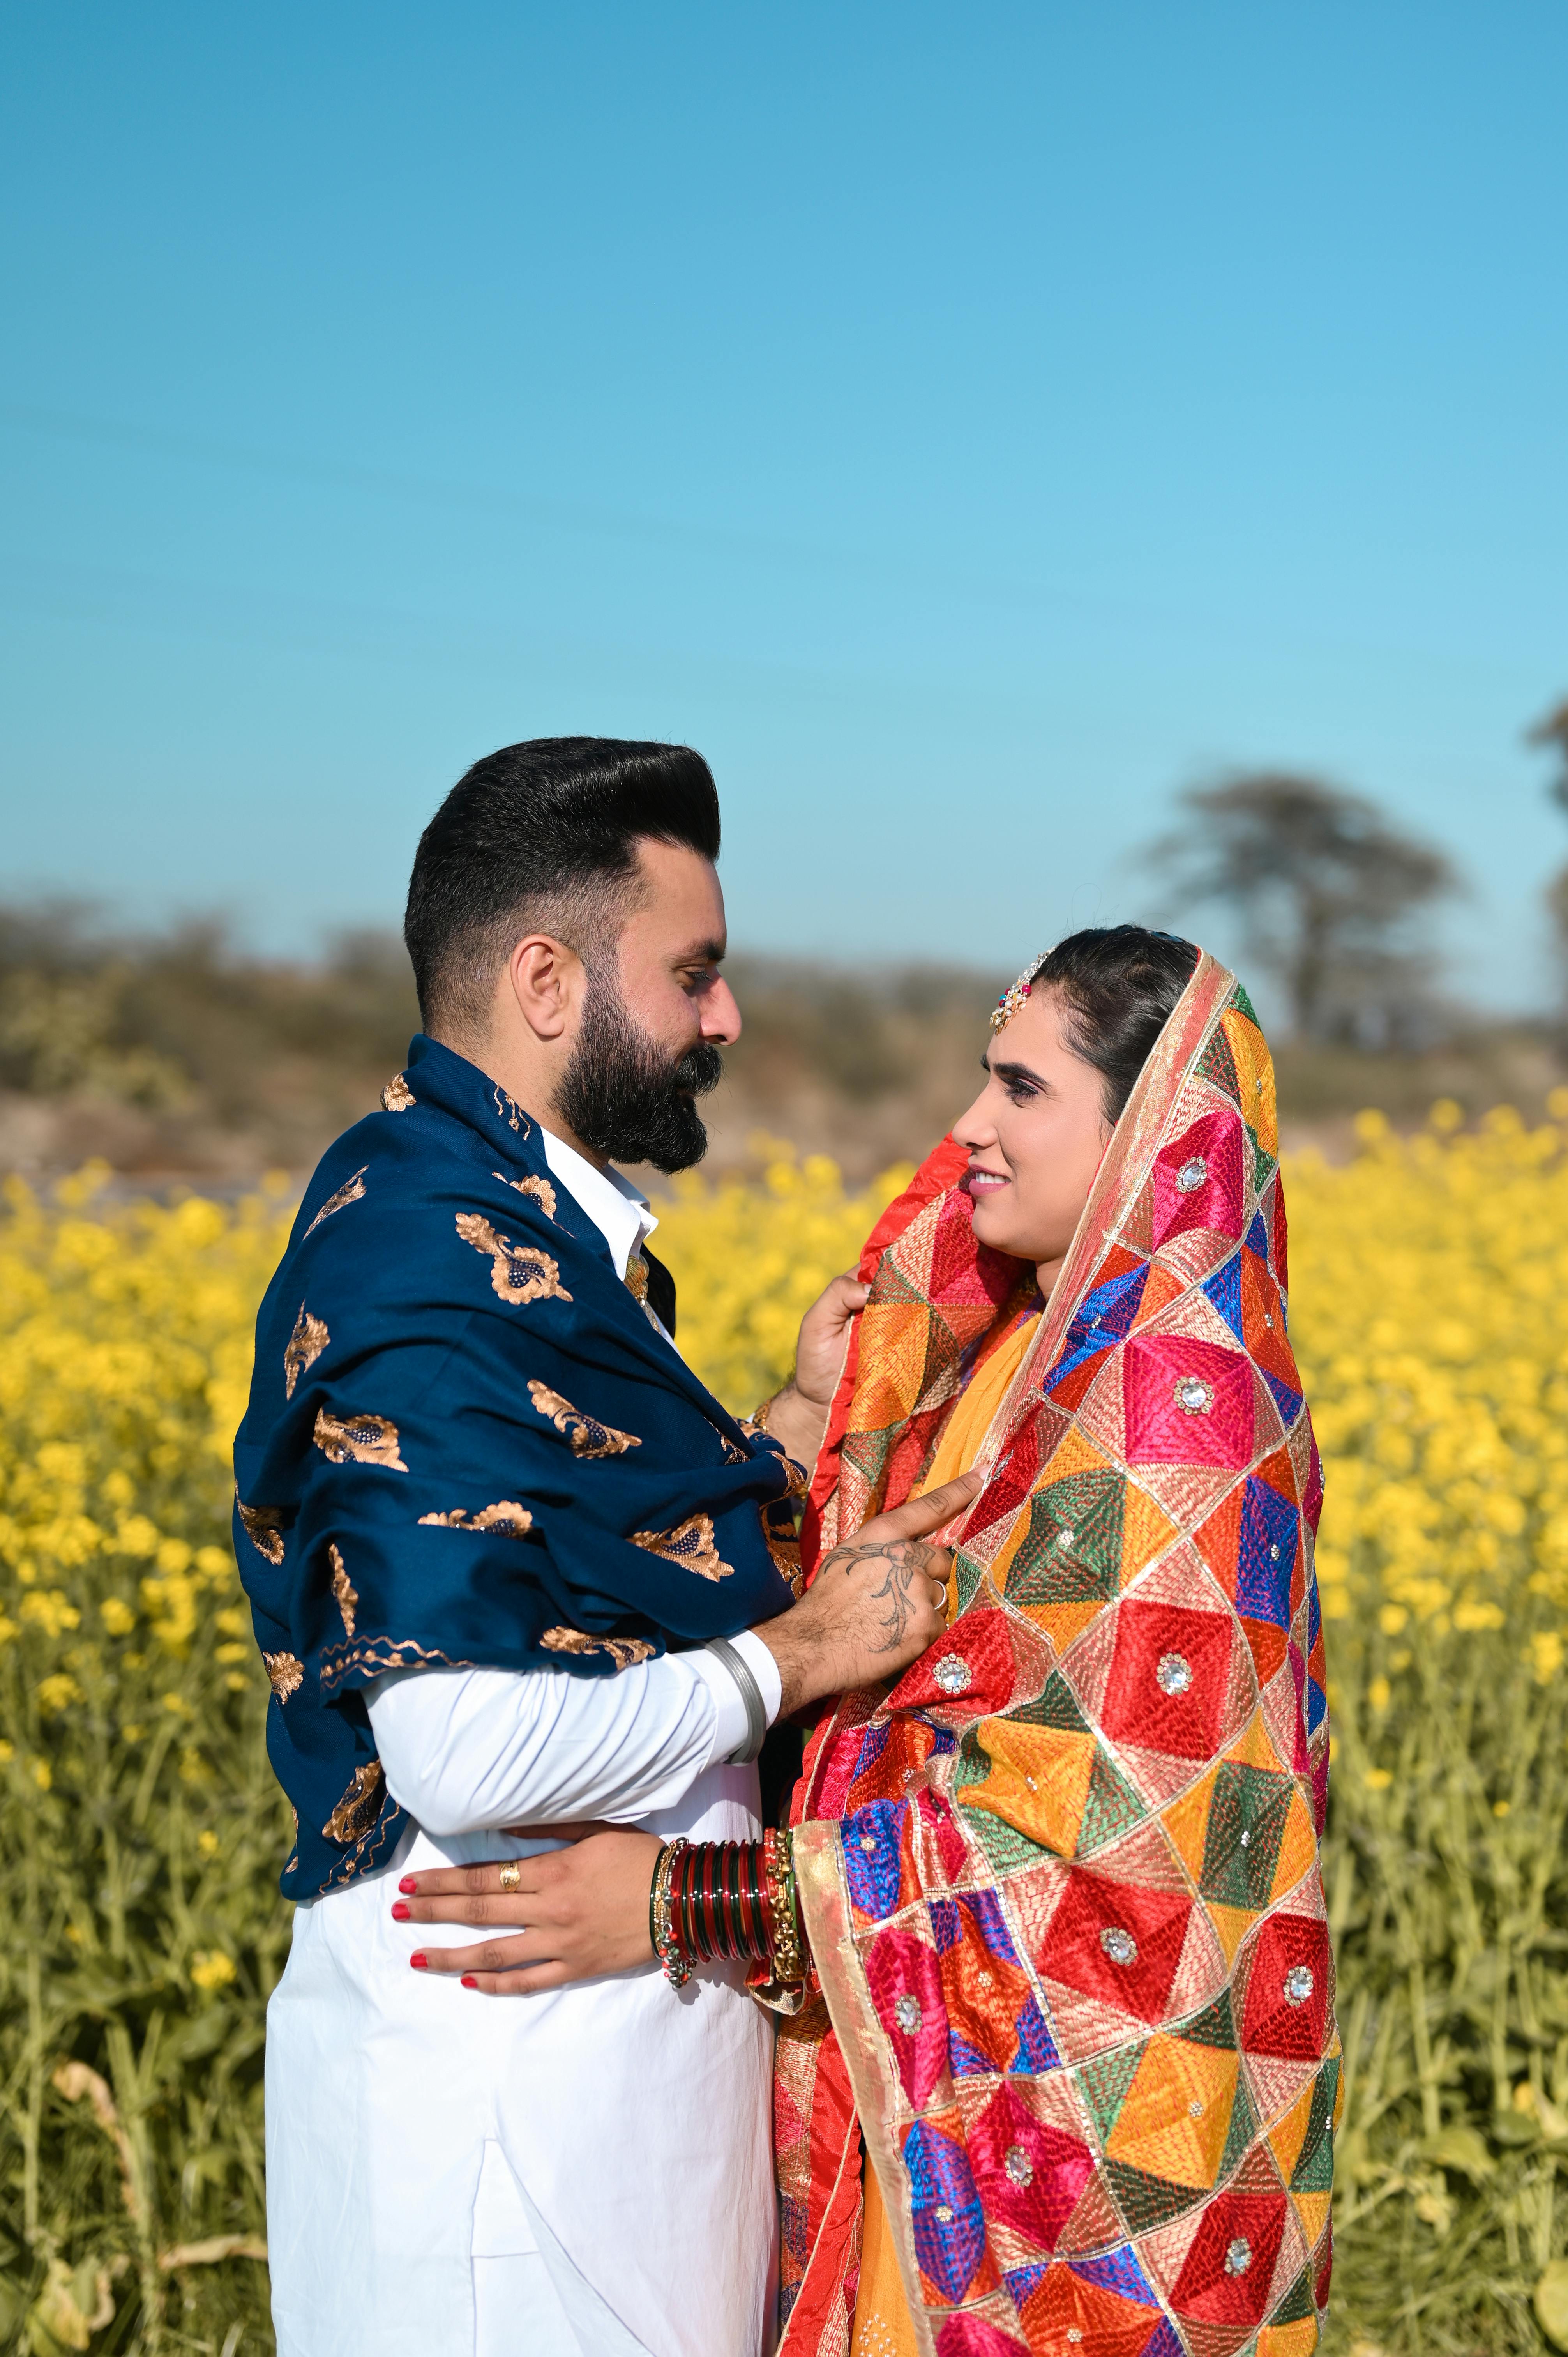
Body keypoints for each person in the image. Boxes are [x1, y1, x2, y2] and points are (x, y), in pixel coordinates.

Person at [418, 926, 1338, 2357]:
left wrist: (685, 1902)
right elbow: (856, 1621)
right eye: (983, 1077)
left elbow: (1094, 1846)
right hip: (919, 2075)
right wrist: (804, 1425)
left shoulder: (1176, 1406)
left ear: (1151, 1136)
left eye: (1022, 1090)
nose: (966, 1126)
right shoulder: (1003, 1351)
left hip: (1087, 2124)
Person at [234, 735, 979, 2357]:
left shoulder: (503, 1231)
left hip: (588, 2124)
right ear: (548, 981)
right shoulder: (433, 1268)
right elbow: (463, 1745)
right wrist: (802, 1655)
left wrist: (782, 1429)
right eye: (694, 974)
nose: (726, 1019)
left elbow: (565, 1564)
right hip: (512, 2156)